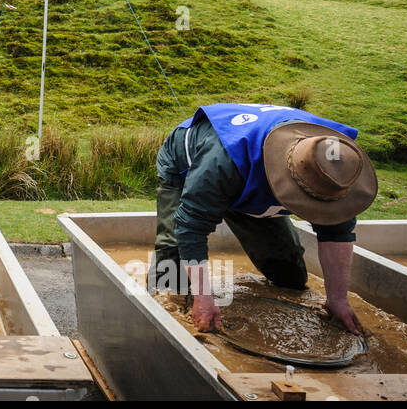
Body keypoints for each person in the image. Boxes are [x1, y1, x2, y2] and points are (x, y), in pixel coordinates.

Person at [153, 102, 378, 335]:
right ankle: (161, 317)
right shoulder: (223, 163)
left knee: (289, 274)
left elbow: (337, 233)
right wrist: (203, 298)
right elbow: (190, 229)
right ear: (285, 183)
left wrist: (338, 299)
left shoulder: (335, 168)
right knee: (174, 266)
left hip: (246, 179)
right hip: (191, 166)